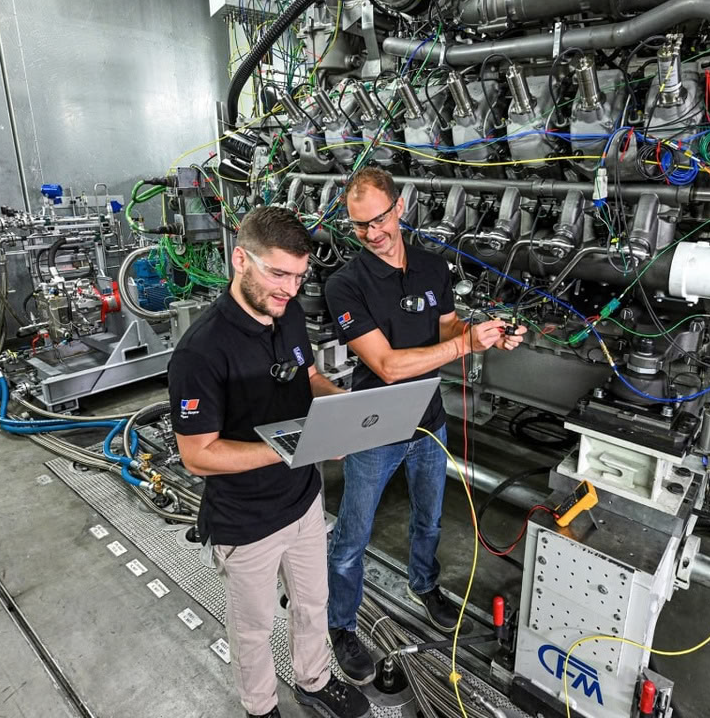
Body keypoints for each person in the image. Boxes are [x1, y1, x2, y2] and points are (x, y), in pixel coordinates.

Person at [322, 167, 527, 684]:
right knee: (352, 535)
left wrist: (483, 331)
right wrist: (464, 346)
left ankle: (424, 584)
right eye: (359, 226)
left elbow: (445, 326)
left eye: (379, 219)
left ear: (402, 206)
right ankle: (341, 626)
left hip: (429, 421)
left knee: (430, 520)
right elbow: (388, 366)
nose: (372, 233)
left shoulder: (433, 268)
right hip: (374, 424)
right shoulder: (345, 284)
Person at [169, 207, 369, 718]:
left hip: (302, 502)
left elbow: (305, 380)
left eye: (299, 277)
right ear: (241, 260)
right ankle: (261, 708)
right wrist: (296, 447)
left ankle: (315, 680)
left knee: (312, 605)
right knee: (254, 628)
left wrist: (339, 411)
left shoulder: (289, 312)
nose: (288, 289)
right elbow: (198, 455)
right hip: (246, 520)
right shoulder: (201, 351)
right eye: (277, 274)